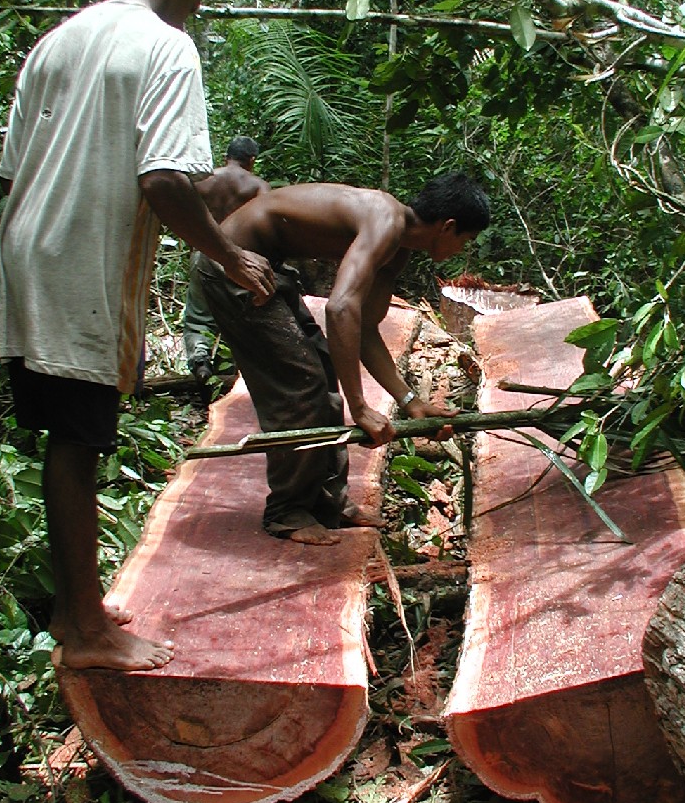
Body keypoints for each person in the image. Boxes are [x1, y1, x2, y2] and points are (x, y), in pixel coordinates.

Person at [0, 0, 276, 672]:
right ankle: (86, 632)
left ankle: (73, 605)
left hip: (26, 247)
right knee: (80, 441)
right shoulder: (166, 45)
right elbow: (162, 180)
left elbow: (13, 169)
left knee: (68, 431)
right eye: (196, 2)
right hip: (81, 260)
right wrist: (229, 254)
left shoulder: (58, 40)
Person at [195, 173, 490, 544]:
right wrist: (360, 406)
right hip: (231, 265)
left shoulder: (399, 249)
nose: (463, 249)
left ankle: (328, 503)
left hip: (266, 267)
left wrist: (411, 402)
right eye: (466, 239)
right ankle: (287, 511)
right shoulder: (385, 219)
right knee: (301, 382)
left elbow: (364, 328)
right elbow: (339, 307)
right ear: (448, 227)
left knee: (321, 368)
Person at [182, 136, 269, 384]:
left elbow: (185, 213)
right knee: (238, 315)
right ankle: (229, 370)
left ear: (226, 157)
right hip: (240, 258)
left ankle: (200, 358)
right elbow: (265, 226)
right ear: (251, 160)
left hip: (204, 252)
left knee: (199, 316)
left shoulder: (203, 181)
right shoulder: (258, 186)